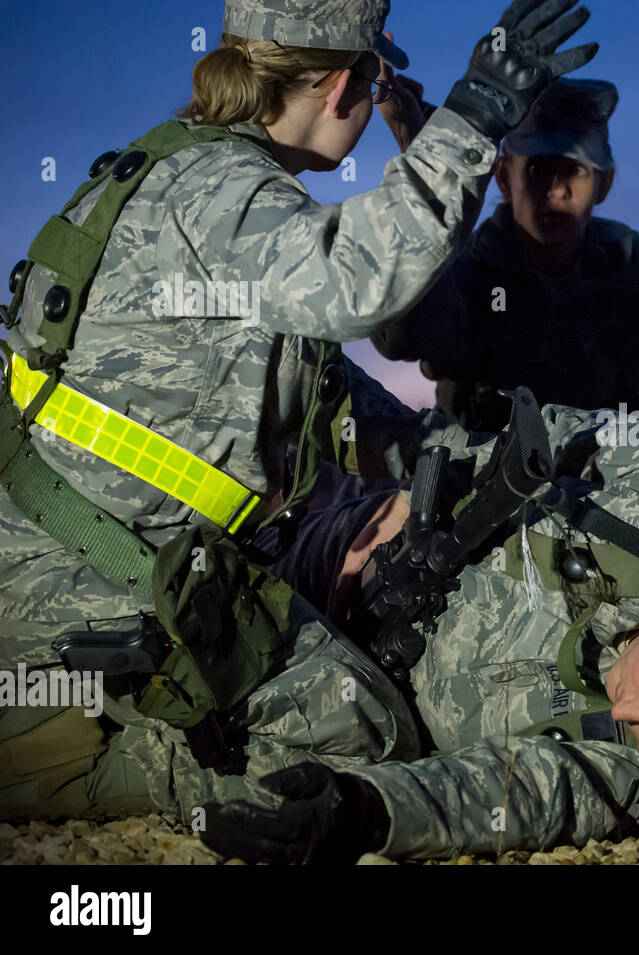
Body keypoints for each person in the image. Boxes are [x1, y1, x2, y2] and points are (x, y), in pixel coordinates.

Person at [0, 0, 597, 818]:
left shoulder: (201, 177)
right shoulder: (215, 185)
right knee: (369, 734)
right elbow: (355, 282)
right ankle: (51, 769)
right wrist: (474, 117)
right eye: (377, 79)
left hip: (113, 544)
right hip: (75, 566)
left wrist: (456, 453)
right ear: (343, 83)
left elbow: (315, 388)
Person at [9, 404, 639, 863]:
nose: (626, 706)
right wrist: (430, 497)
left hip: (350, 661)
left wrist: (368, 811)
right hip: (366, 522)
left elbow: (529, 791)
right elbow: (561, 432)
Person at [368, 54, 639, 433]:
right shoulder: (465, 269)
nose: (557, 190)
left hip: (626, 486)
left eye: (575, 171)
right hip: (494, 498)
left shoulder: (637, 267)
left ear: (604, 183)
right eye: (540, 169)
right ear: (504, 177)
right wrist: (426, 176)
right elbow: (403, 333)